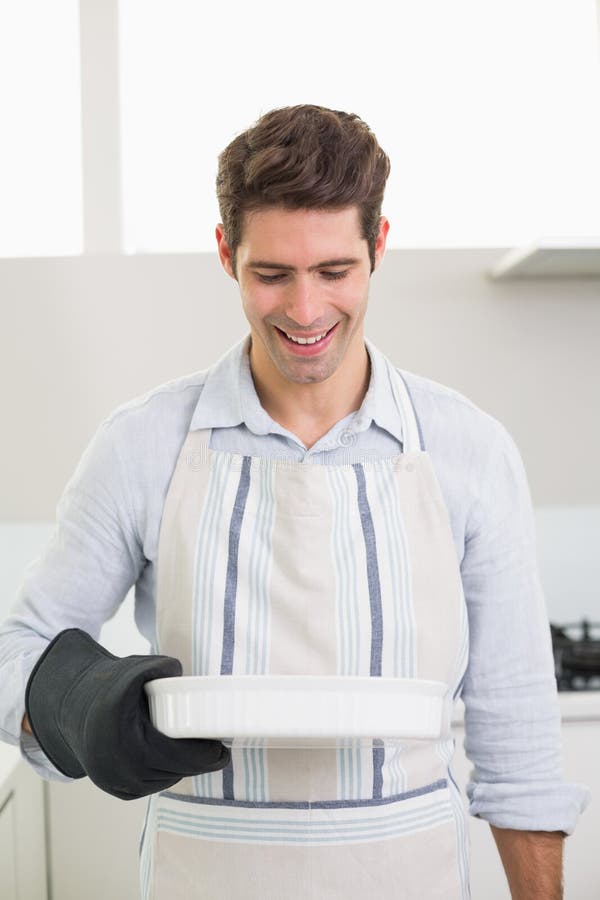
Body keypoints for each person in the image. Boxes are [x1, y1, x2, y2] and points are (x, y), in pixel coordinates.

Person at [0, 104, 589, 899]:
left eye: (334, 272)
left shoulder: (468, 452)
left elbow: (517, 744)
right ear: (225, 254)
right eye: (271, 274)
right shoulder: (142, 445)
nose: (306, 313)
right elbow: (18, 648)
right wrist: (76, 705)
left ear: (378, 247)